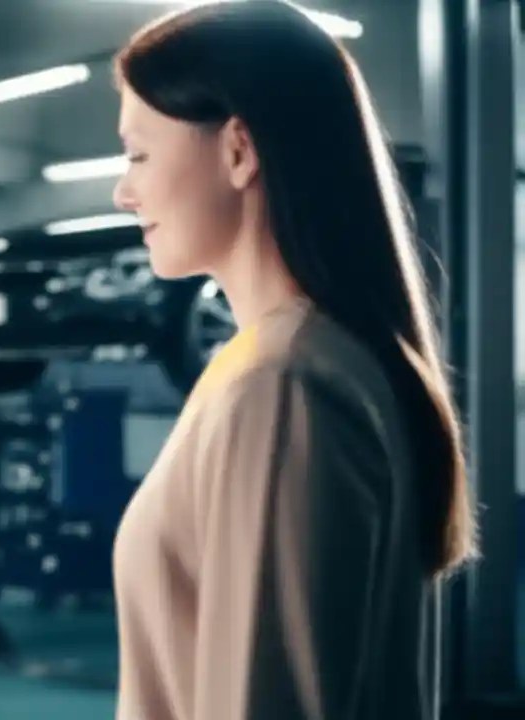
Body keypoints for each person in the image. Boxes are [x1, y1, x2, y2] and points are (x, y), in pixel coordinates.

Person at [106, 2, 479, 719]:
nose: (125, 191)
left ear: (239, 151)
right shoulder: (298, 360)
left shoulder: (282, 384)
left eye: (139, 153)